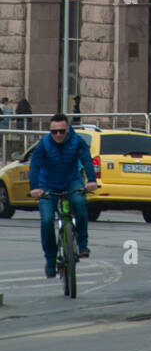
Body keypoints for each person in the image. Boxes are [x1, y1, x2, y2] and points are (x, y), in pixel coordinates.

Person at [29, 114, 98, 279]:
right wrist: (35, 188)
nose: (58, 135)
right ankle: (51, 261)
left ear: (68, 130)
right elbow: (35, 166)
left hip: (71, 181)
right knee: (46, 221)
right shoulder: (43, 145)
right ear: (50, 132)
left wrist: (92, 181)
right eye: (54, 132)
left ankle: (82, 245)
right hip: (47, 185)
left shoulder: (77, 142)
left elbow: (86, 160)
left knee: (80, 203)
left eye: (61, 131)